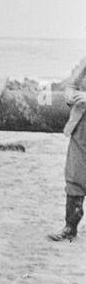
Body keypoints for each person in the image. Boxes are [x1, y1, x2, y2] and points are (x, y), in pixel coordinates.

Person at [50, 61, 86, 241]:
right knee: (74, 177)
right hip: (81, 128)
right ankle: (70, 228)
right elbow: (70, 86)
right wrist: (70, 95)